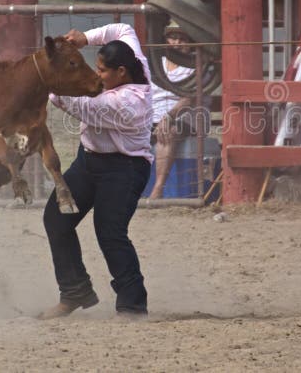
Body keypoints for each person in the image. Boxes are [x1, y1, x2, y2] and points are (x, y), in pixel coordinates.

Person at [40, 23, 153, 319]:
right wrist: (84, 38)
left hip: (125, 169)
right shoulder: (134, 58)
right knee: (56, 219)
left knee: (110, 232)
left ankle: (132, 303)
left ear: (122, 73)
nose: (96, 74)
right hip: (89, 161)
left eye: (102, 71)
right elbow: (125, 27)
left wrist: (49, 79)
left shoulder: (128, 103)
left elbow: (72, 103)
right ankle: (75, 290)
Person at [147, 20, 201, 199]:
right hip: (152, 116)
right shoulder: (154, 64)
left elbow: (190, 98)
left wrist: (168, 117)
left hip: (184, 118)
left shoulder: (197, 65)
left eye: (182, 39)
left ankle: (158, 190)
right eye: (172, 38)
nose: (176, 43)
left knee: (168, 132)